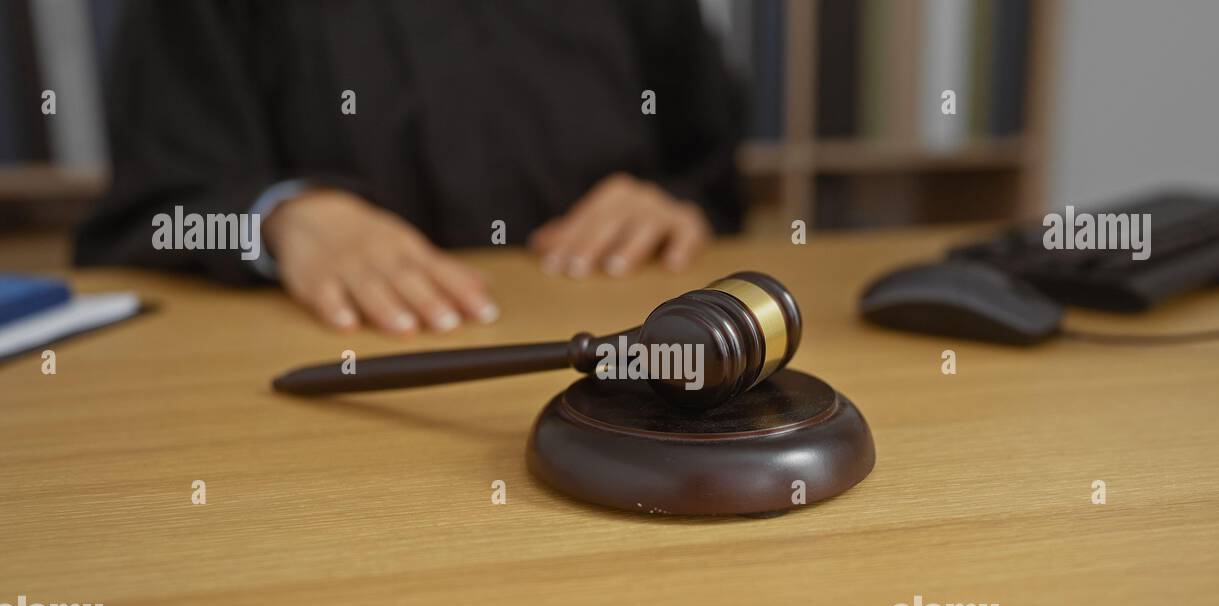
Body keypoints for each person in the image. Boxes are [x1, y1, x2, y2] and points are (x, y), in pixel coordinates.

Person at [75, 0, 745, 334]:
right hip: (327, 383)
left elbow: (711, 172)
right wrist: (275, 219)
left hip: (610, 352)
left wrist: (668, 200)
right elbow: (157, 218)